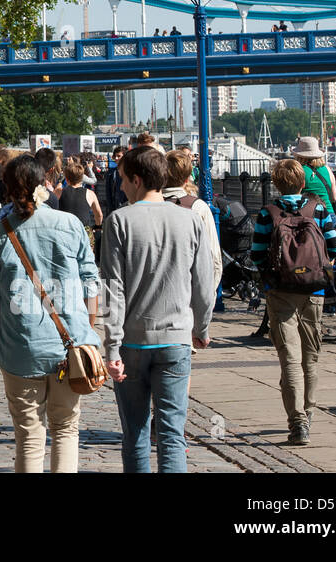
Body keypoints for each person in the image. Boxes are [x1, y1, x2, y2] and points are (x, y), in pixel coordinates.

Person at [0, 155, 100, 472]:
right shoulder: (69, 224)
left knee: (29, 436)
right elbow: (90, 283)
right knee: (66, 430)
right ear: (44, 183)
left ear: (8, 190)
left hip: (20, 348)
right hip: (69, 346)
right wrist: (87, 329)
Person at [102, 145, 213, 472]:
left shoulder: (119, 221)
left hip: (133, 341)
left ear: (137, 180)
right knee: (171, 433)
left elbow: (112, 289)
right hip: (176, 338)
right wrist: (201, 329)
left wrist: (111, 347)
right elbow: (204, 284)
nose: (120, 187)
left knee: (135, 432)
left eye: (123, 179)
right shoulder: (190, 220)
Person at [250, 158, 336, 445]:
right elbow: (335, 247)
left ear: (276, 183)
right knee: (310, 358)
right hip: (314, 291)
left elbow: (255, 254)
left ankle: (297, 422)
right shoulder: (318, 209)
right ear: (303, 182)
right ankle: (309, 413)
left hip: (280, 292)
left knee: (289, 359)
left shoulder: (268, 213)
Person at [161, 149, 222, 298]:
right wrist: (208, 297)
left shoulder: (147, 205)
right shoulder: (198, 207)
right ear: (188, 177)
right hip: (188, 293)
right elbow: (213, 258)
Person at [58, 157, 104, 257]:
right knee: (87, 258)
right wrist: (98, 226)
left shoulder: (60, 191)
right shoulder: (90, 194)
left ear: (66, 178)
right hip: (84, 231)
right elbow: (99, 214)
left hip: (64, 231)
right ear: (82, 178)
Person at [291, 137, 336, 215]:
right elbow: (334, 198)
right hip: (329, 213)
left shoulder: (299, 170)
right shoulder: (327, 169)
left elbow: (294, 196)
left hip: (309, 214)